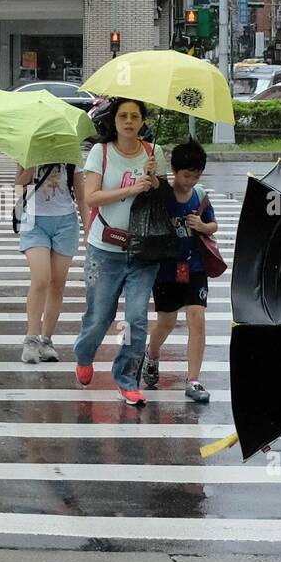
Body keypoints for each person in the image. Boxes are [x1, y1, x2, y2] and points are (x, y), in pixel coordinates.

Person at [73, 98, 169, 407]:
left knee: (136, 319)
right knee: (100, 316)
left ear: (142, 121)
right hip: (104, 251)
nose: (129, 121)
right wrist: (132, 188)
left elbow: (165, 198)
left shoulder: (155, 154)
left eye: (135, 116)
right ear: (113, 121)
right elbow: (92, 198)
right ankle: (84, 354)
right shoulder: (100, 154)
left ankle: (127, 379)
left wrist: (154, 180)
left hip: (143, 251)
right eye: (123, 116)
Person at [143, 140, 217, 403]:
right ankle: (151, 354)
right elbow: (148, 191)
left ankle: (194, 380)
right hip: (166, 268)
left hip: (194, 266)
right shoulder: (163, 193)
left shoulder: (200, 195)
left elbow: (213, 225)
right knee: (167, 321)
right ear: (174, 169)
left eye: (196, 176)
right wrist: (149, 171)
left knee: (197, 318)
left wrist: (203, 226)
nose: (190, 181)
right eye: (186, 175)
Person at [14, 162, 79, 364]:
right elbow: (18, 187)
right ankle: (31, 339)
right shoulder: (28, 152)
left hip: (66, 222)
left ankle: (46, 341)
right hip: (33, 221)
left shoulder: (70, 154)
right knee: (41, 278)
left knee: (57, 285)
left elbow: (82, 194)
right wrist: (31, 167)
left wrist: (90, 227)